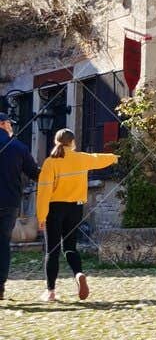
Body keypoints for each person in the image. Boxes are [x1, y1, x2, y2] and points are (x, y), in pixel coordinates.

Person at [35, 129, 119, 304]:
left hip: (54, 209)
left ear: (56, 141)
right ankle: (78, 274)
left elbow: (43, 192)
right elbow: (98, 158)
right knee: (70, 246)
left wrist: (41, 216)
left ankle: (50, 292)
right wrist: (114, 157)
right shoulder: (81, 158)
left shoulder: (50, 163)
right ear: (72, 142)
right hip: (75, 209)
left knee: (52, 249)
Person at [0, 110, 39, 302]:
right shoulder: (18, 147)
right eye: (9, 124)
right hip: (9, 202)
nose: (11, 127)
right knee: (2, 244)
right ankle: (0, 287)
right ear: (3, 124)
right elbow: (34, 173)